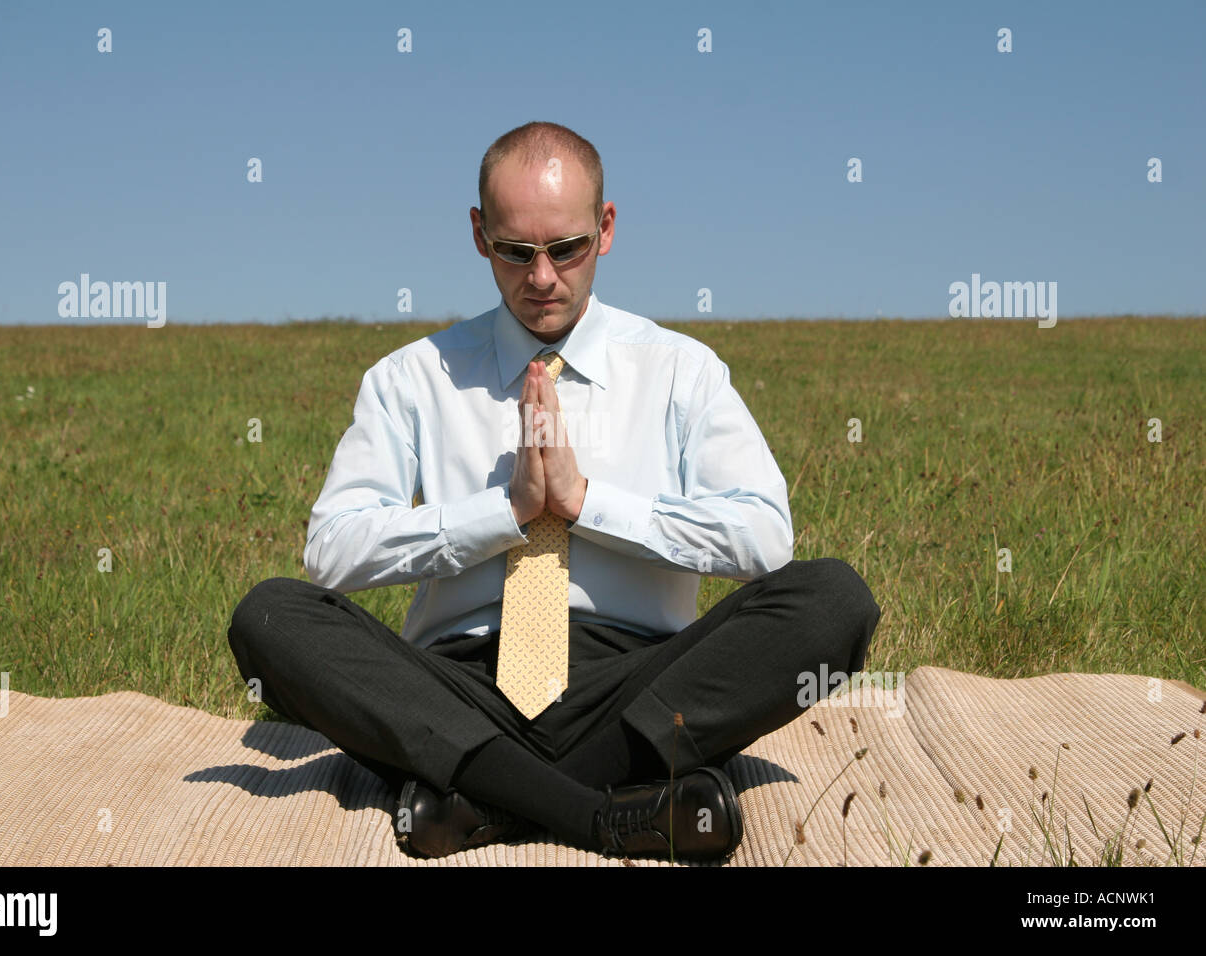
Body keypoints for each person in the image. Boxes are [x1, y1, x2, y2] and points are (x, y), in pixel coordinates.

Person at [226, 120, 880, 862]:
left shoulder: (681, 370)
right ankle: (600, 817)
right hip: (456, 683)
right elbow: (331, 554)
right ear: (479, 234)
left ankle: (486, 796)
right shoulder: (411, 377)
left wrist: (585, 504)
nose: (542, 278)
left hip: (638, 683)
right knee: (270, 616)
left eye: (565, 248)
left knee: (834, 599)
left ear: (605, 229)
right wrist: (503, 515)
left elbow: (766, 538)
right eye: (515, 251)